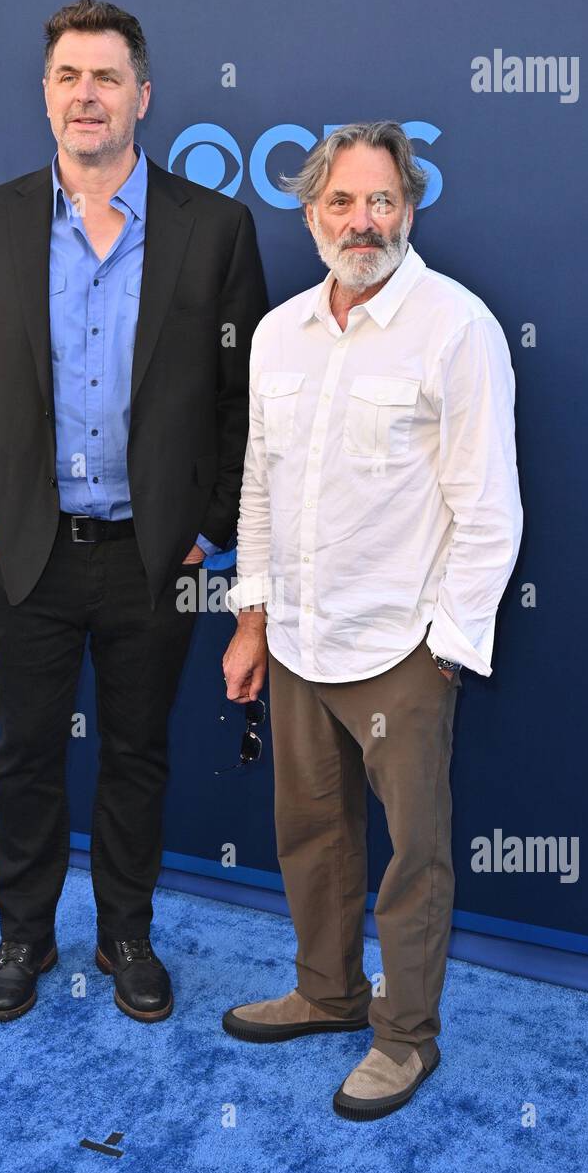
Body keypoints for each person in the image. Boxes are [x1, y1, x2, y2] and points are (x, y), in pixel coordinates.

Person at [0, 0, 267, 1025]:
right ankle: (23, 935)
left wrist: (211, 528)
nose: (86, 95)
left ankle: (126, 934)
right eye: (68, 77)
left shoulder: (217, 230)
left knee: (137, 751)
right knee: (25, 749)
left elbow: (245, 397)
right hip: (24, 546)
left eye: (106, 77)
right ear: (45, 95)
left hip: (156, 555)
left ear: (142, 97)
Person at [221, 121, 522, 1120]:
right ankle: (327, 992)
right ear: (310, 214)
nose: (362, 221)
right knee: (309, 832)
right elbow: (258, 490)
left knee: (411, 859)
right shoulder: (277, 335)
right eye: (341, 202)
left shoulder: (457, 328)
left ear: (409, 208)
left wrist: (448, 644)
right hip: (300, 639)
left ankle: (405, 1039)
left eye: (380, 201)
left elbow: (488, 508)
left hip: (402, 648)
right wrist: (253, 620)